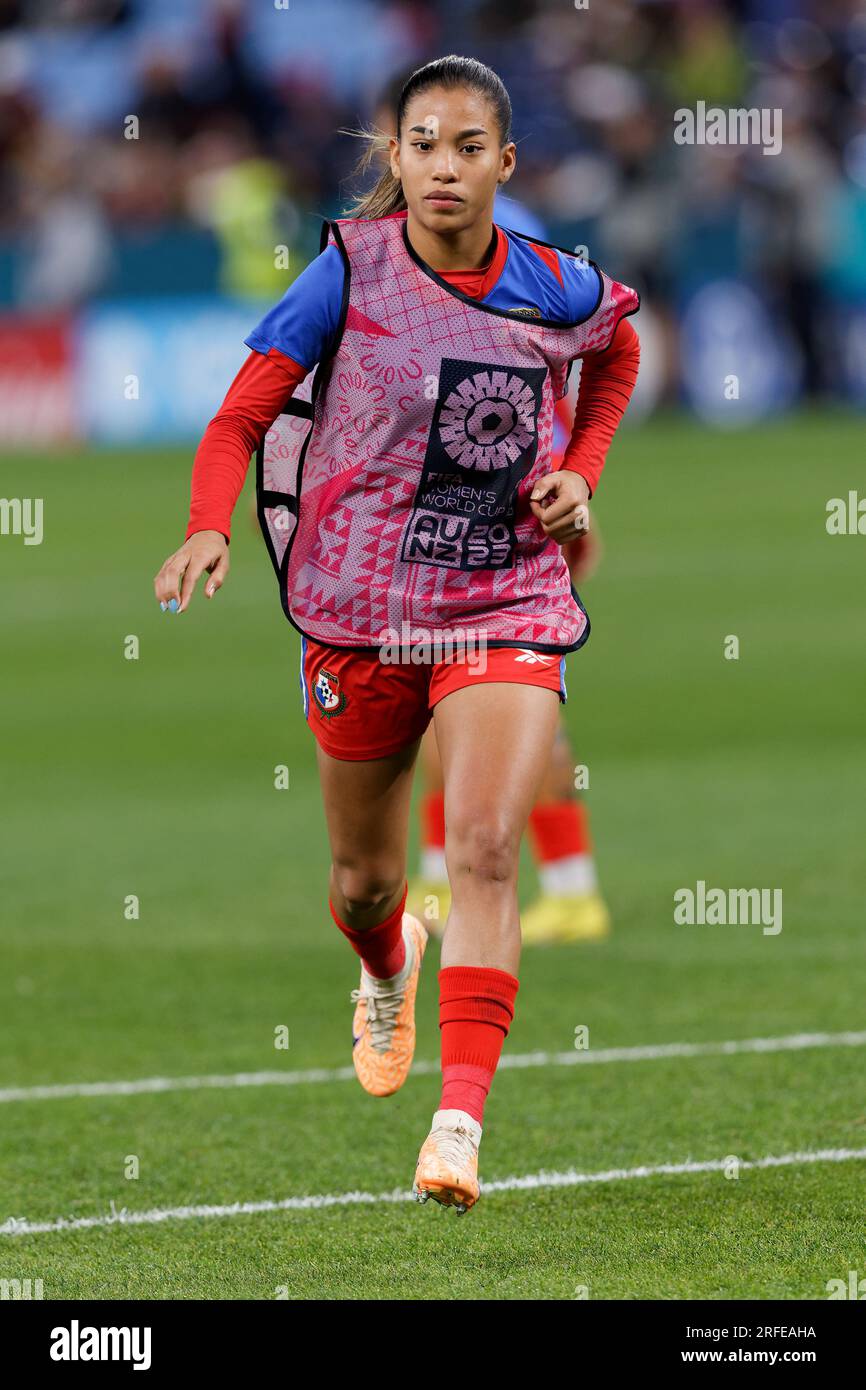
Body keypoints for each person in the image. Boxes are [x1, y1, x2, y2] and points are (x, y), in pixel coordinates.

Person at [153, 55, 640, 1214]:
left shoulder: (553, 282)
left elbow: (616, 348)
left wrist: (579, 470)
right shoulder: (345, 271)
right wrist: (206, 528)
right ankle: (386, 969)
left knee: (476, 845)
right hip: (360, 610)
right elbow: (240, 417)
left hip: (501, 597)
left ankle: (458, 1123)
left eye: (468, 146)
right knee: (367, 884)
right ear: (396, 156)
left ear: (503, 164)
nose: (443, 165)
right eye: (422, 142)